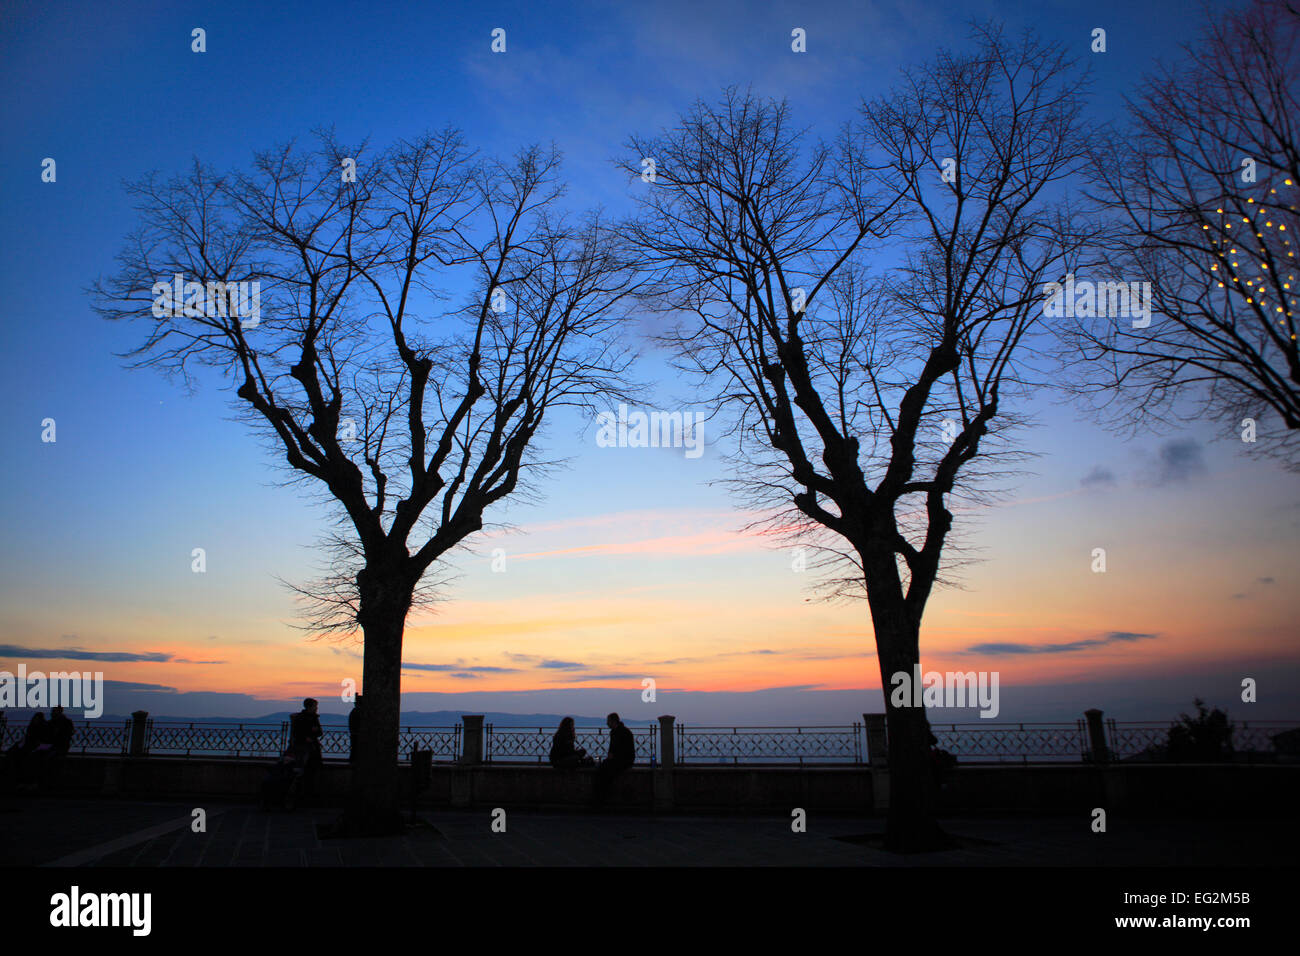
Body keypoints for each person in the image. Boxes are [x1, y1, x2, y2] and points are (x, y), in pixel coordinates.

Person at [593, 712, 634, 806]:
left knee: (604, 772)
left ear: (613, 721)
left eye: (608, 721)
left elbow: (623, 750)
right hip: (619, 760)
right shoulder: (615, 732)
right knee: (603, 770)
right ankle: (601, 798)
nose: (607, 723)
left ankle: (600, 799)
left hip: (624, 760)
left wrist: (613, 756)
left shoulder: (622, 732)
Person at [288, 697, 323, 800]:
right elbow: (298, 733)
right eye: (315, 706)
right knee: (303, 773)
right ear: (309, 707)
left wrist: (311, 732)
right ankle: (302, 796)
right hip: (303, 750)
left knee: (311, 772)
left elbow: (319, 732)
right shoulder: (301, 718)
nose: (316, 708)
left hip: (312, 749)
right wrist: (308, 735)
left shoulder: (313, 718)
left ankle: (307, 795)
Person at [348, 695, 363, 764]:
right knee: (356, 751)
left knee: (354, 751)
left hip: (355, 735)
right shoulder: (357, 712)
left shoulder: (354, 712)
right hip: (357, 736)